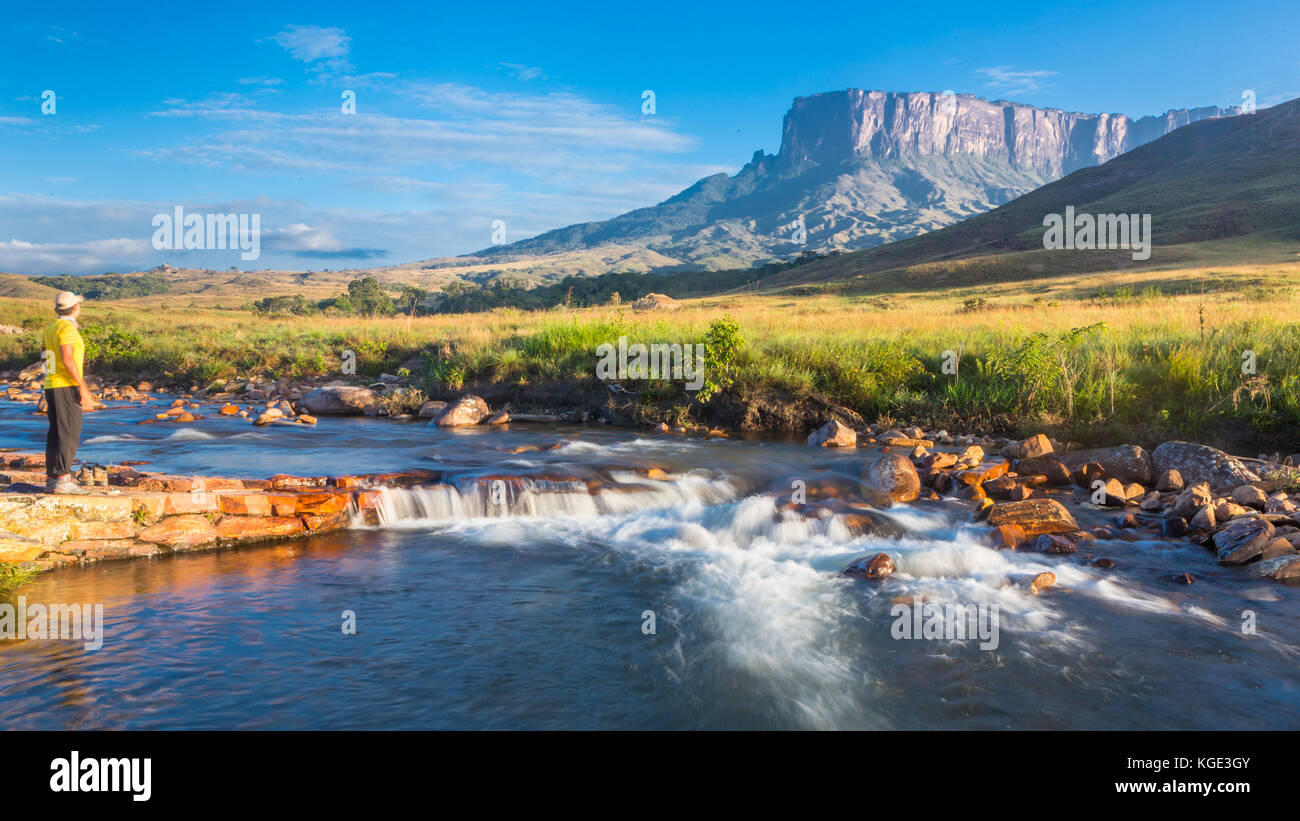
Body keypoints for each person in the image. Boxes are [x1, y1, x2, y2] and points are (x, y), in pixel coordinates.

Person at [43, 291, 94, 494]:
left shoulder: (52, 327)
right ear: (75, 308)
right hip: (66, 385)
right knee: (69, 432)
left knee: (55, 432)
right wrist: (82, 387)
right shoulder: (68, 328)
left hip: (52, 384)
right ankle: (64, 479)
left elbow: (47, 357)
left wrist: (49, 381)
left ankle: (52, 478)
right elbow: (67, 358)